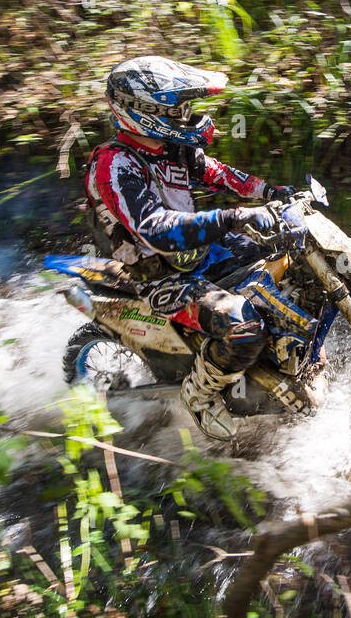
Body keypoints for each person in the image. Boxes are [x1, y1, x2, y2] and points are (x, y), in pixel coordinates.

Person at [84, 56, 295, 440]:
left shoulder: (171, 147)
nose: (186, 115)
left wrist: (271, 193)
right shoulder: (115, 164)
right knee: (242, 325)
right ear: (144, 110)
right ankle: (198, 394)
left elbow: (217, 173)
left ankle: (280, 363)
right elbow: (154, 229)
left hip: (196, 254)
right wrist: (233, 217)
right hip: (154, 274)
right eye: (176, 108)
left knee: (289, 256)